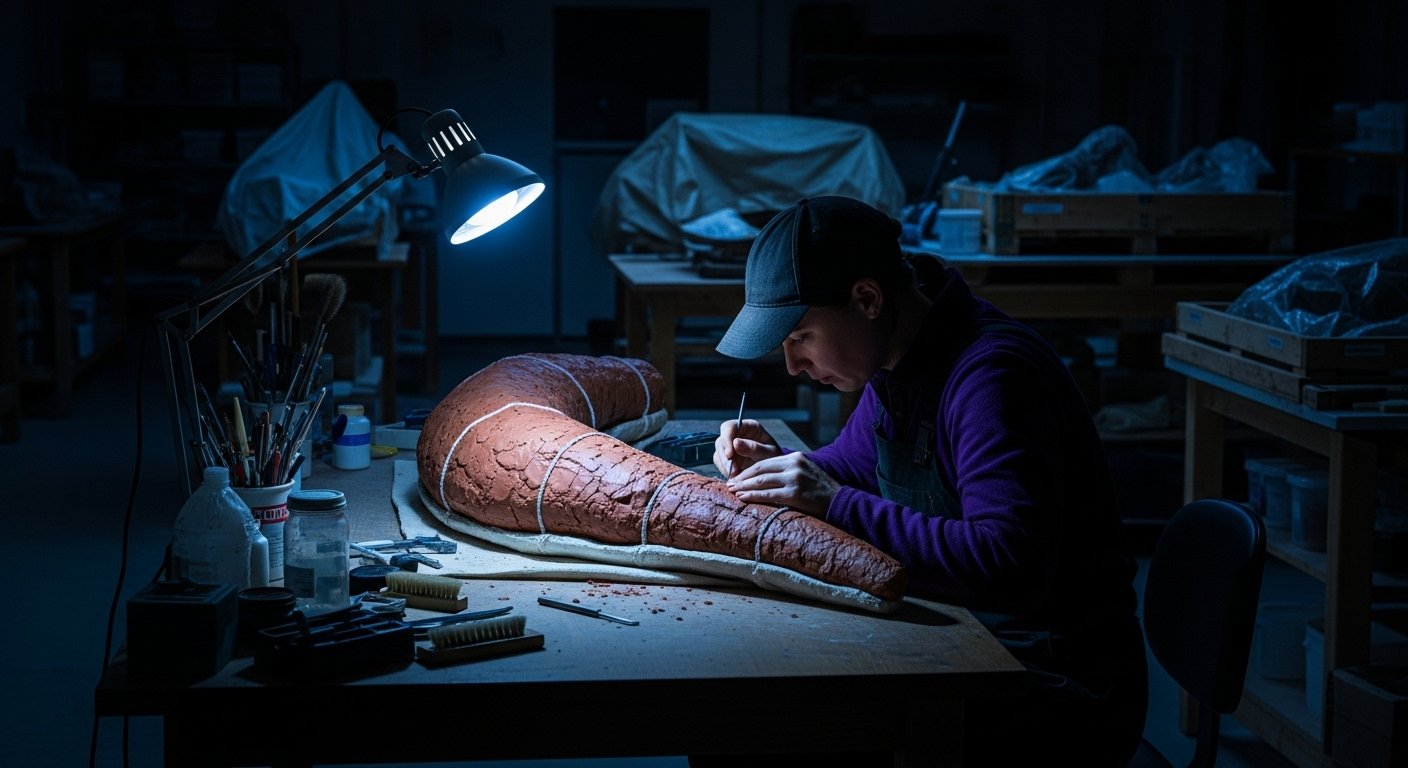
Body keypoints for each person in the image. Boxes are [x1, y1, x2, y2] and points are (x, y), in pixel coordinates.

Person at [707, 196, 1147, 767]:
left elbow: (1008, 560)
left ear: (867, 299)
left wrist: (832, 502)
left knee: (757, 738)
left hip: (1056, 680)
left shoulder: (992, 376)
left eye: (801, 338)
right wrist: (782, 464)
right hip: (977, 638)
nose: (792, 365)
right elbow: (850, 466)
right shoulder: (898, 360)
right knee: (739, 720)